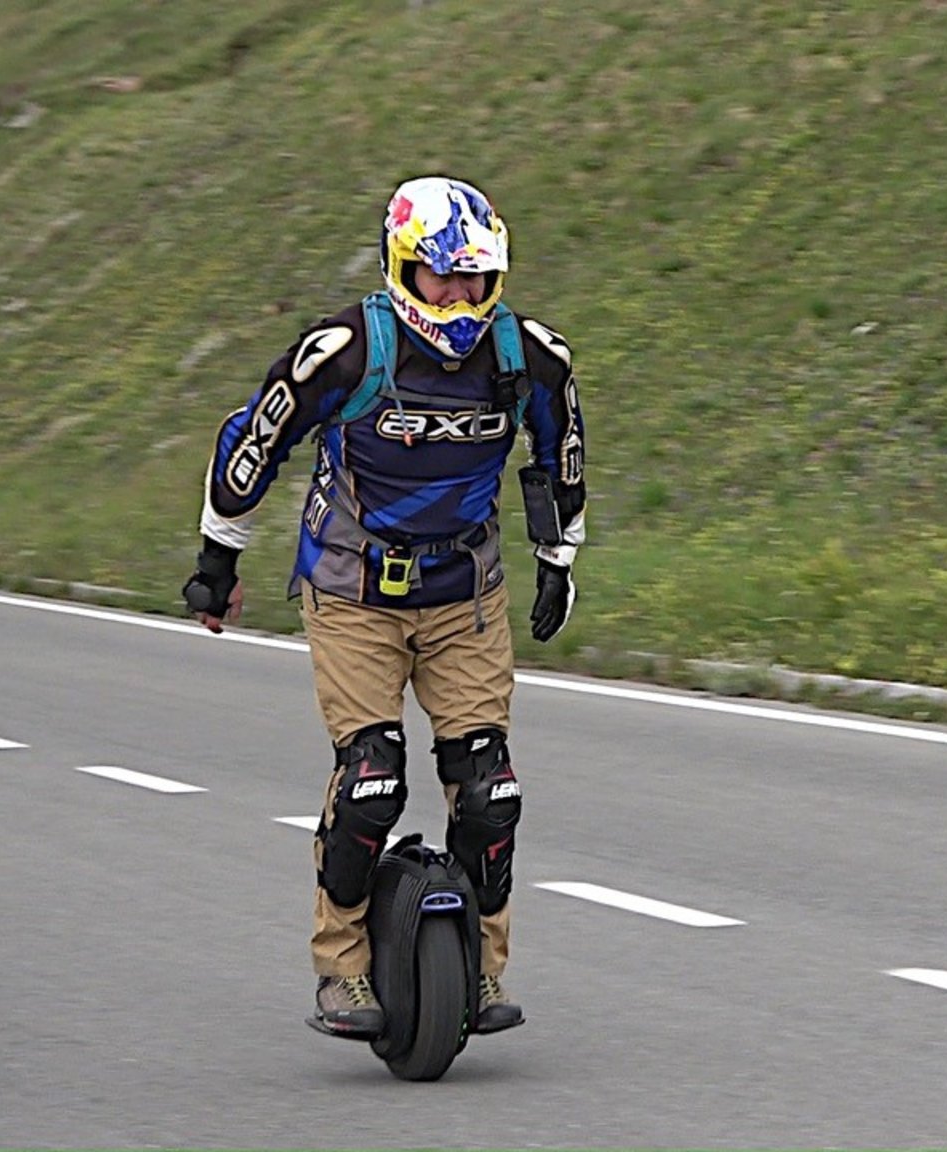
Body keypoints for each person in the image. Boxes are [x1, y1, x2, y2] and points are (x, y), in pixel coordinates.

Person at [182, 175, 587, 1038]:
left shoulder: (530, 359)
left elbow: (562, 455)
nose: (461, 296)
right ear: (404, 268)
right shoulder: (344, 353)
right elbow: (255, 438)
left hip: (464, 591)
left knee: (489, 788)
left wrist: (559, 558)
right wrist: (220, 556)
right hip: (352, 586)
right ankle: (343, 969)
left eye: (477, 279)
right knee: (372, 776)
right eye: (445, 278)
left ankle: (477, 972)